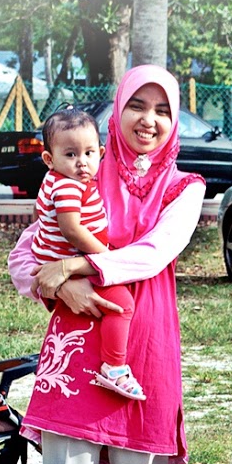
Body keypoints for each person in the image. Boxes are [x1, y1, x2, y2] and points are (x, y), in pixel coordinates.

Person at [7, 65, 206, 464]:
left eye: (162, 110)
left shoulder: (184, 187)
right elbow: (26, 257)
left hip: (145, 350)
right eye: (136, 106)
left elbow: (154, 253)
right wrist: (52, 287)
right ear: (115, 110)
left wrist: (76, 268)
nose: (149, 120)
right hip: (77, 350)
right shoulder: (82, 170)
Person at [30, 108, 146, 401]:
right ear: (49, 159)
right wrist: (105, 255)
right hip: (75, 259)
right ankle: (115, 367)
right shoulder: (68, 186)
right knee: (122, 305)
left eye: (89, 153)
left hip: (60, 259)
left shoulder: (59, 181)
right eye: (70, 155)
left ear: (101, 152)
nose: (82, 162)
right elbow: (72, 230)